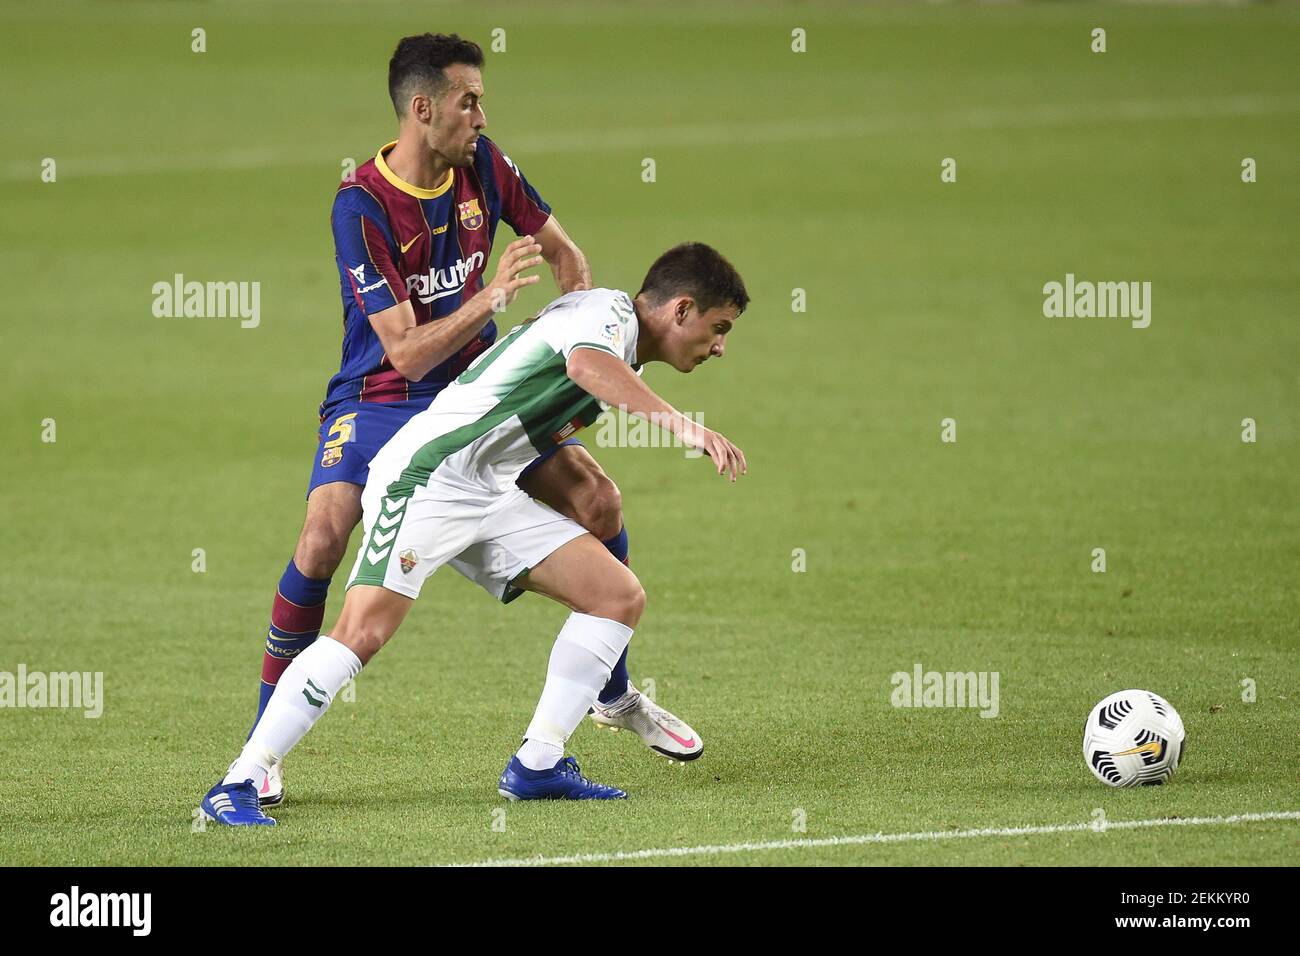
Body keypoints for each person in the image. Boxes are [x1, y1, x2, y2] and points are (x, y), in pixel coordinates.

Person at [249, 33, 699, 809]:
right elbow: (405, 354)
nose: (482, 116)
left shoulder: (485, 167)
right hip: (382, 395)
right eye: (469, 101)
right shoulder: (360, 206)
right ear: (423, 109)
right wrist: (488, 300)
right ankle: (264, 744)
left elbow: (566, 256)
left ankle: (612, 695)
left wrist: (566, 336)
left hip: (483, 395)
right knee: (325, 534)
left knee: (601, 503)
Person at [201, 242, 749, 824]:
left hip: (489, 488)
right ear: (681, 310)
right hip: (429, 478)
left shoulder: (617, 337)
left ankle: (538, 763)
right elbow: (586, 367)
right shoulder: (607, 315)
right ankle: (240, 779)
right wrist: (686, 428)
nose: (719, 347)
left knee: (616, 597)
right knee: (362, 630)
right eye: (718, 328)